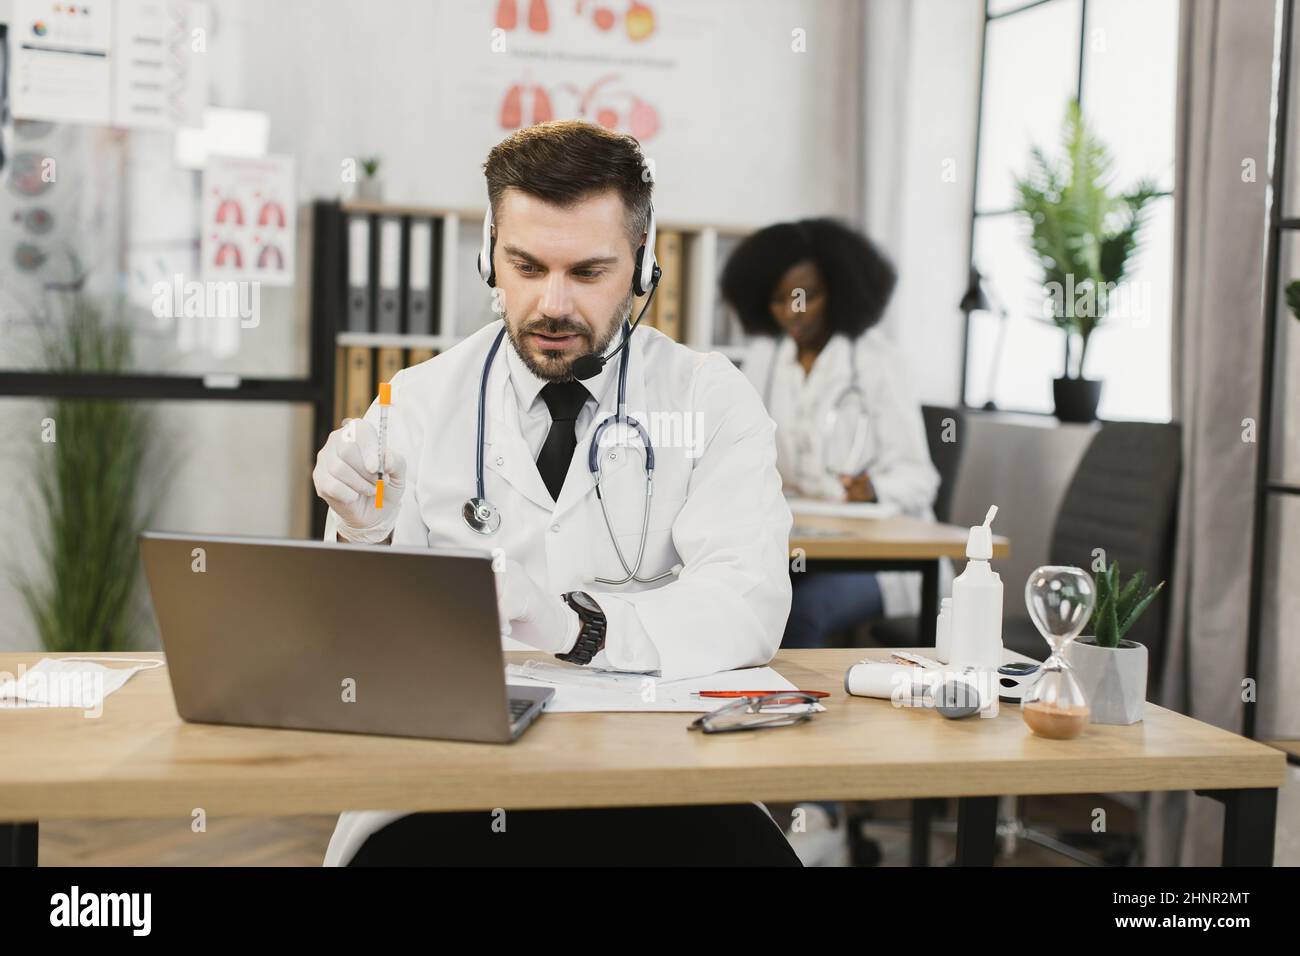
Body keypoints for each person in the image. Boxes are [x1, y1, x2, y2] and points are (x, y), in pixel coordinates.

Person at [311, 120, 798, 866]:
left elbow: (745, 603)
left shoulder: (711, 399)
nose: (552, 305)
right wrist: (360, 535)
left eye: (588, 272)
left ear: (643, 264)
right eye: (527, 266)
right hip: (457, 786)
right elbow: (353, 649)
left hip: (667, 776)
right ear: (488, 255)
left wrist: (582, 628)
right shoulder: (413, 402)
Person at [721, 218, 940, 651]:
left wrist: (873, 489)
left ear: (839, 292)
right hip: (796, 544)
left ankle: (800, 712)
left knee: (800, 614)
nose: (792, 312)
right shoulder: (765, 360)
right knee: (736, 602)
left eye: (807, 297)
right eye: (780, 300)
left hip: (878, 561)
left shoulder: (878, 362)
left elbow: (921, 479)